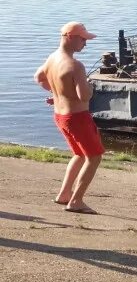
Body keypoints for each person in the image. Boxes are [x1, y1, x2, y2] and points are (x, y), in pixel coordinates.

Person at [34, 22, 106, 214]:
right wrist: (90, 85)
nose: (85, 43)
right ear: (69, 37)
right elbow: (85, 96)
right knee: (95, 157)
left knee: (80, 154)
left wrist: (58, 93)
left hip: (60, 116)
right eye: (83, 39)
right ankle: (76, 201)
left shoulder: (52, 58)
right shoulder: (76, 66)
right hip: (78, 118)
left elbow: (38, 77)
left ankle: (64, 194)